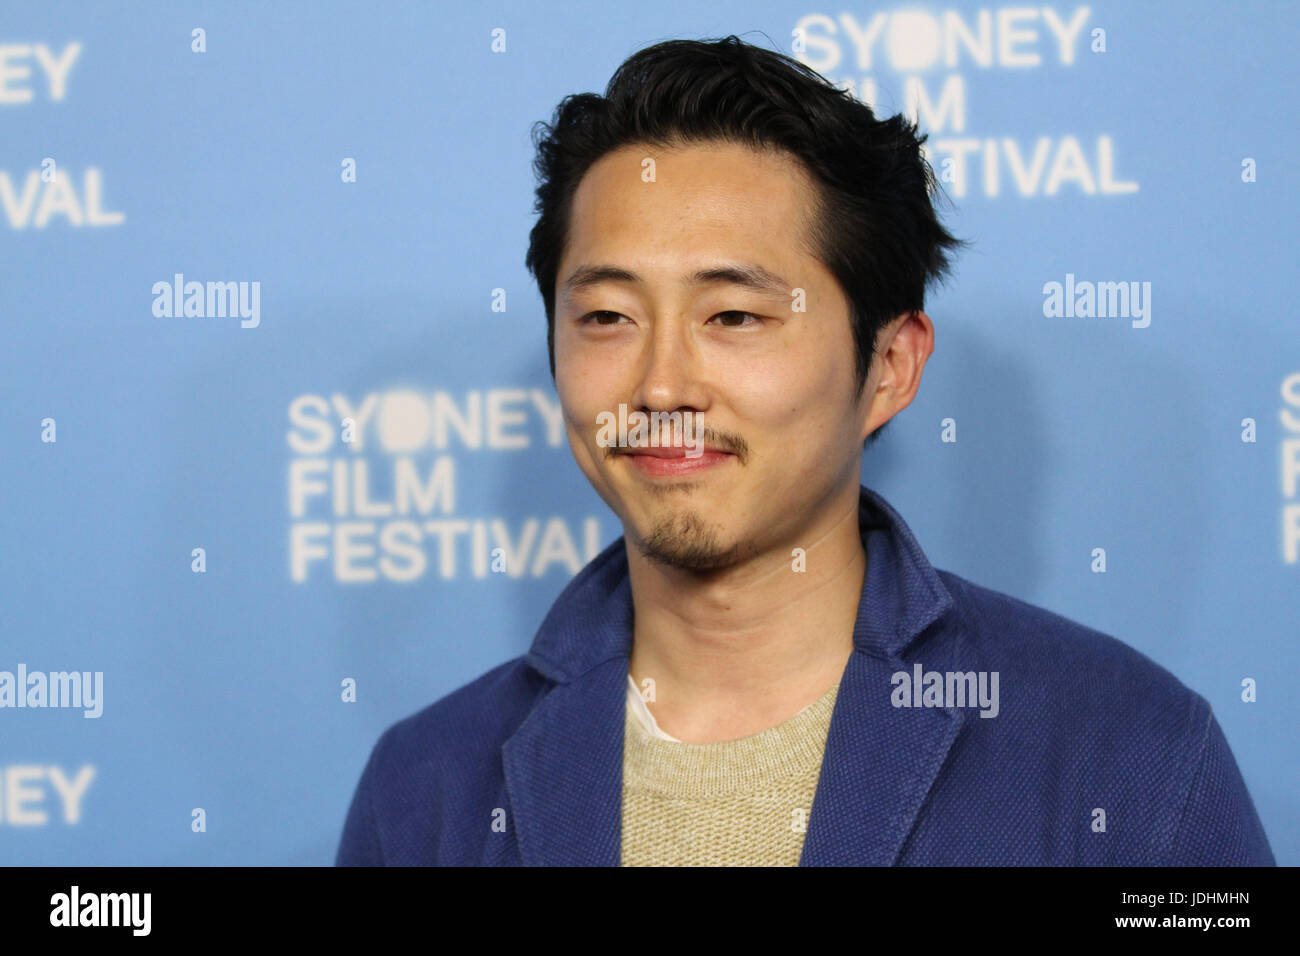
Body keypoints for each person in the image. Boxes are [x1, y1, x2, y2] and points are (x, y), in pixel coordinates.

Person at [336, 36, 1274, 866]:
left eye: (734, 315)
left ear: (891, 366)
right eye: (608, 317)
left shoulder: (1125, 751)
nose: (662, 387)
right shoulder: (426, 788)